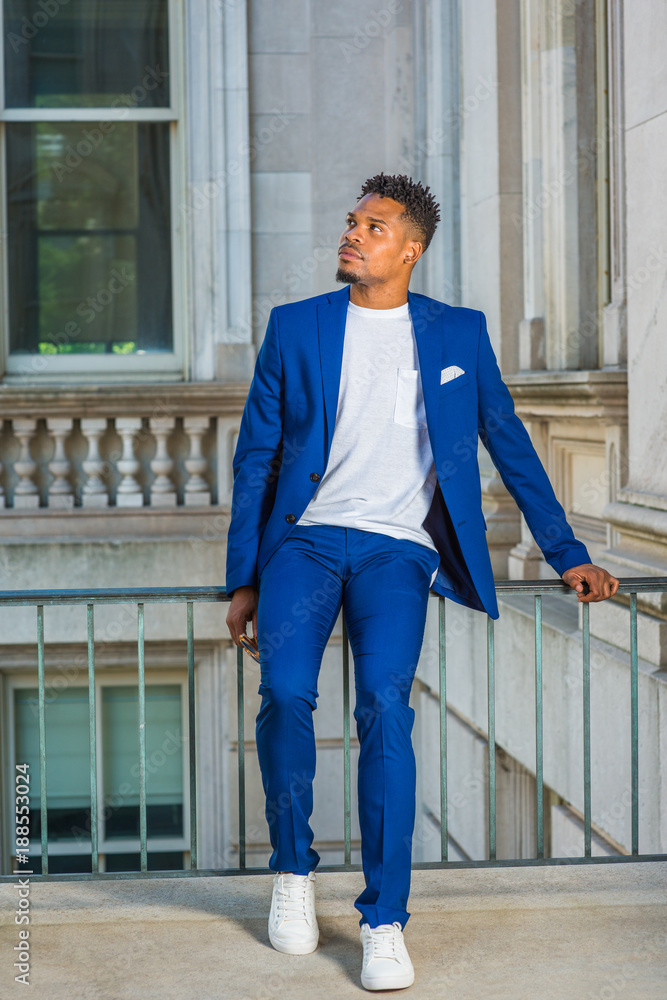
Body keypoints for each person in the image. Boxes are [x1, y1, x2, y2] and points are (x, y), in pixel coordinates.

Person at [225, 172, 619, 991]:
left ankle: (383, 920)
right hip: (302, 544)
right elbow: (256, 458)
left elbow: (509, 445)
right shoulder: (295, 329)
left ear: (410, 249)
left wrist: (565, 551)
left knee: (383, 709)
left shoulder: (457, 334)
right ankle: (293, 872)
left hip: (396, 550)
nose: (351, 234)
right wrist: (242, 580)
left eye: (371, 226)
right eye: (350, 222)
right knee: (286, 694)